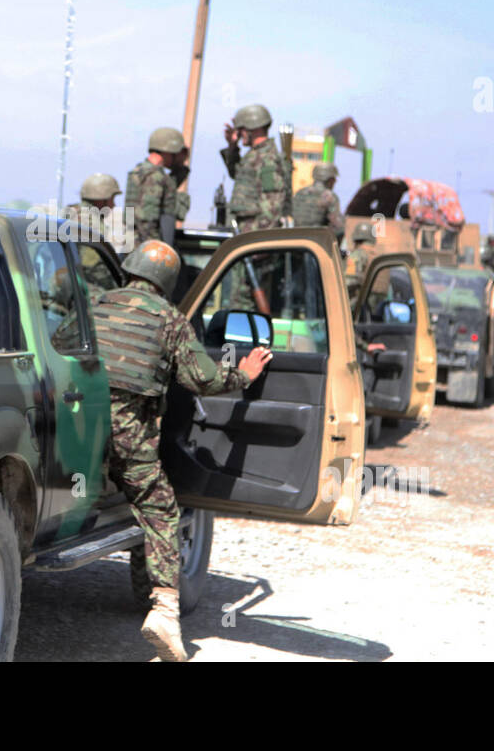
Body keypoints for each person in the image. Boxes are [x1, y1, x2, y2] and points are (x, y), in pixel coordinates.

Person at [91, 239, 272, 661]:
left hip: (75, 428)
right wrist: (243, 374)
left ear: (130, 268)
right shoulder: (169, 320)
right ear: (167, 281)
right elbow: (202, 380)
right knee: (160, 508)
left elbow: (63, 348)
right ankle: (165, 612)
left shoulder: (97, 304)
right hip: (127, 436)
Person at [221, 104, 290, 233]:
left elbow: (272, 204)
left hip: (255, 233)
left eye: (241, 130)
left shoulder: (267, 158)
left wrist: (260, 243)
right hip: (247, 230)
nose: (239, 135)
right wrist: (232, 146)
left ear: (252, 129)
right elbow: (236, 174)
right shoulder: (255, 155)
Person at [125, 128, 190, 249]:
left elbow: (169, 189)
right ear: (170, 151)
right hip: (147, 250)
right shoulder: (154, 176)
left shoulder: (140, 172)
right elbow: (147, 221)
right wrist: (157, 251)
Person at [291, 162, 345, 238]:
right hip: (317, 242)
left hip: (296, 240)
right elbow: (339, 228)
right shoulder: (330, 196)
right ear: (330, 179)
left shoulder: (299, 193)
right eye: (334, 179)